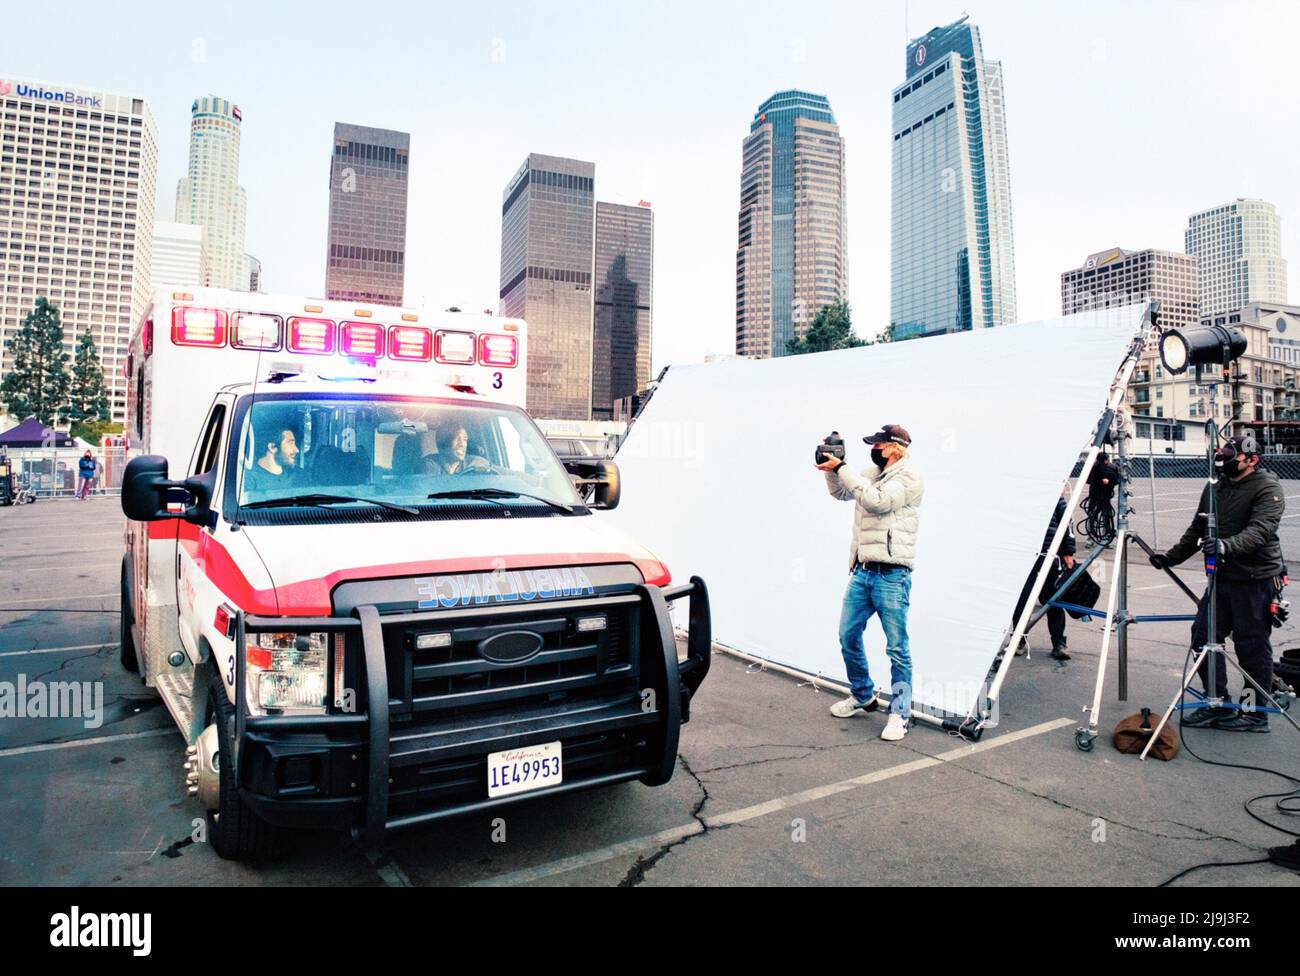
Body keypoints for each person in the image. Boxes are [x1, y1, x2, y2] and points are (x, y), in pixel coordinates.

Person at [1149, 434, 1284, 732]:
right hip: (1222, 578)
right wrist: (1170, 558)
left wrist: (1225, 546)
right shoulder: (1215, 488)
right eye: (1221, 455)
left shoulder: (1268, 487)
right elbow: (1197, 528)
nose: (1223, 461)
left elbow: (1261, 530)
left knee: (1252, 648)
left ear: (1252, 460)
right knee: (1203, 637)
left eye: (1230, 456)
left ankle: (1253, 713)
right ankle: (1218, 703)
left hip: (1255, 579)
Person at [816, 424, 925, 742]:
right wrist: (830, 467)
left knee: (897, 648)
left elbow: (877, 502)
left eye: (878, 444)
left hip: (893, 574)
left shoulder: (910, 477)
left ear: (895, 447)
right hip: (862, 571)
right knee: (847, 635)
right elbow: (840, 492)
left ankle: (900, 713)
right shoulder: (870, 473)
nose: (873, 448)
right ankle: (863, 695)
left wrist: (843, 468)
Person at [1011, 483, 1077, 661]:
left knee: (1053, 601)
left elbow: (1067, 526)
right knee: (1024, 600)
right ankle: (1018, 640)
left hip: (1050, 557)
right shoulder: (1026, 500)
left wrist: (1068, 553)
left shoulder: (1058, 503)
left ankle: (1059, 643)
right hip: (1029, 557)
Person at [242, 422, 300, 495]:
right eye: (290, 443)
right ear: (272, 447)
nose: (297, 450)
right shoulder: (249, 480)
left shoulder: (295, 476)